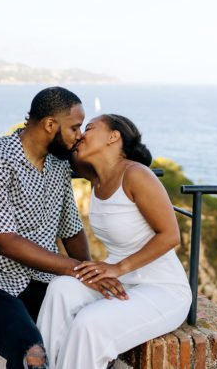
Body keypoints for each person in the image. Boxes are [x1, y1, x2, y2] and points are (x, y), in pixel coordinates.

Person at [0, 87, 125, 369]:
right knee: (32, 355)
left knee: (95, 337)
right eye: (75, 127)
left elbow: (71, 229)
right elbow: (5, 242)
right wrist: (78, 270)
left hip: (41, 280)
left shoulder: (58, 166)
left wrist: (90, 276)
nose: (79, 135)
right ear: (50, 125)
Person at [36, 114, 192, 369]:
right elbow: (59, 149)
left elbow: (170, 235)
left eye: (89, 128)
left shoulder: (136, 174)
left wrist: (118, 268)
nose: (81, 134)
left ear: (113, 136)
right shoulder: (95, 177)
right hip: (120, 281)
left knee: (89, 323)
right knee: (60, 289)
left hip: (161, 288)